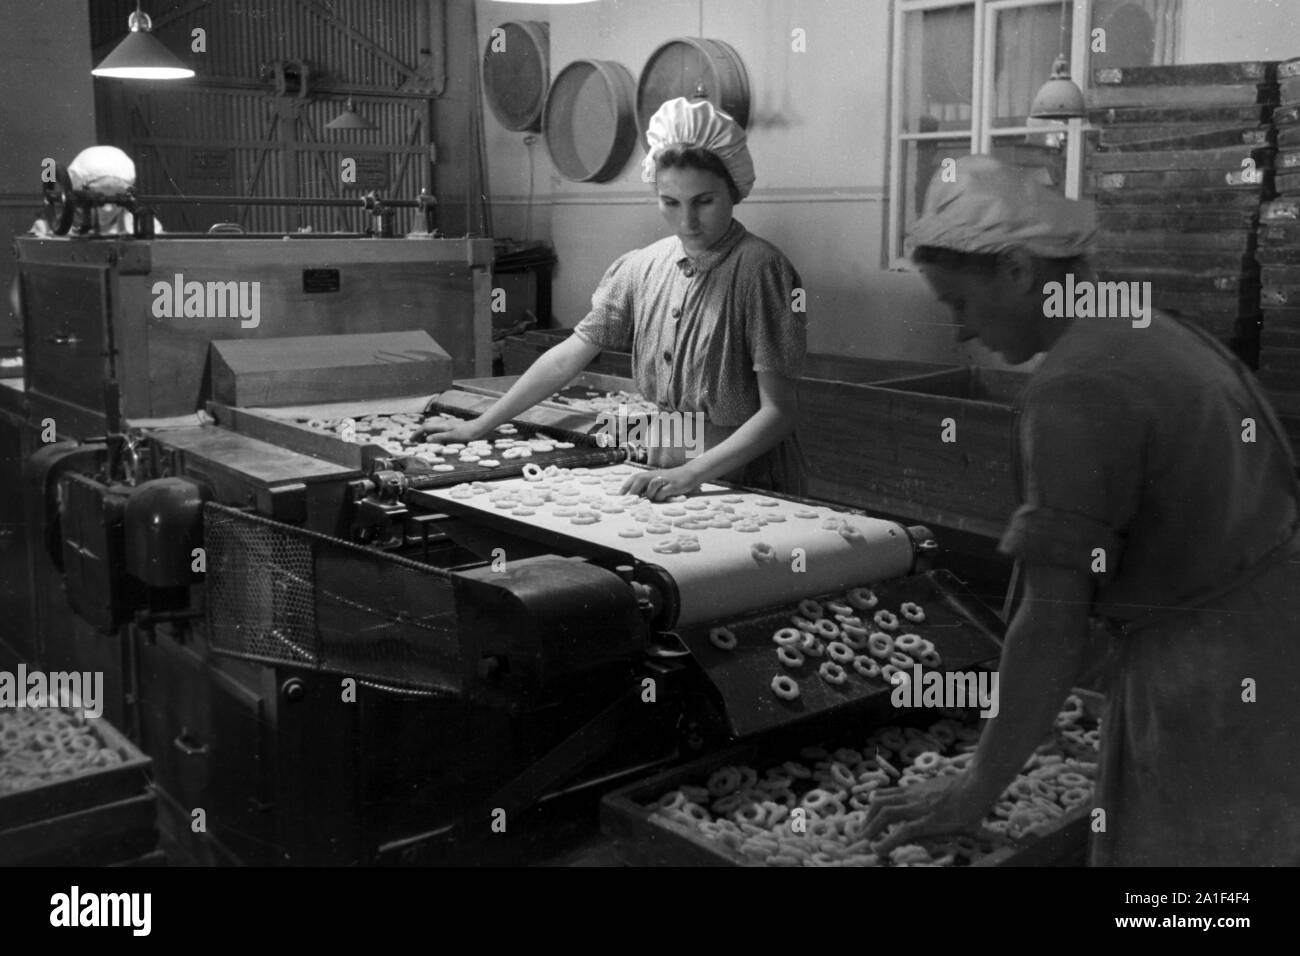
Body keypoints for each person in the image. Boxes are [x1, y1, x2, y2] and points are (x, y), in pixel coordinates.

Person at [864, 155, 1300, 865]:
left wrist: (975, 788)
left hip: (1211, 676)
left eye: (958, 304)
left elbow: (1052, 617)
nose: (960, 334)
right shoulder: (1142, 325)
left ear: (1016, 271)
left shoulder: (1075, 386)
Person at [424, 97, 808, 499]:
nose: (687, 221)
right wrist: (477, 425)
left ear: (734, 190)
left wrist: (690, 474)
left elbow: (779, 414)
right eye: (670, 202)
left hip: (743, 472)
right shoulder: (643, 267)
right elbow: (564, 359)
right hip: (668, 452)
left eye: (704, 201)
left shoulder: (762, 271)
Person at [28, 145, 163, 236]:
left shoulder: (145, 226)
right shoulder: (45, 232)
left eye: (118, 195)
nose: (108, 208)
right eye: (100, 196)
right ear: (75, 192)